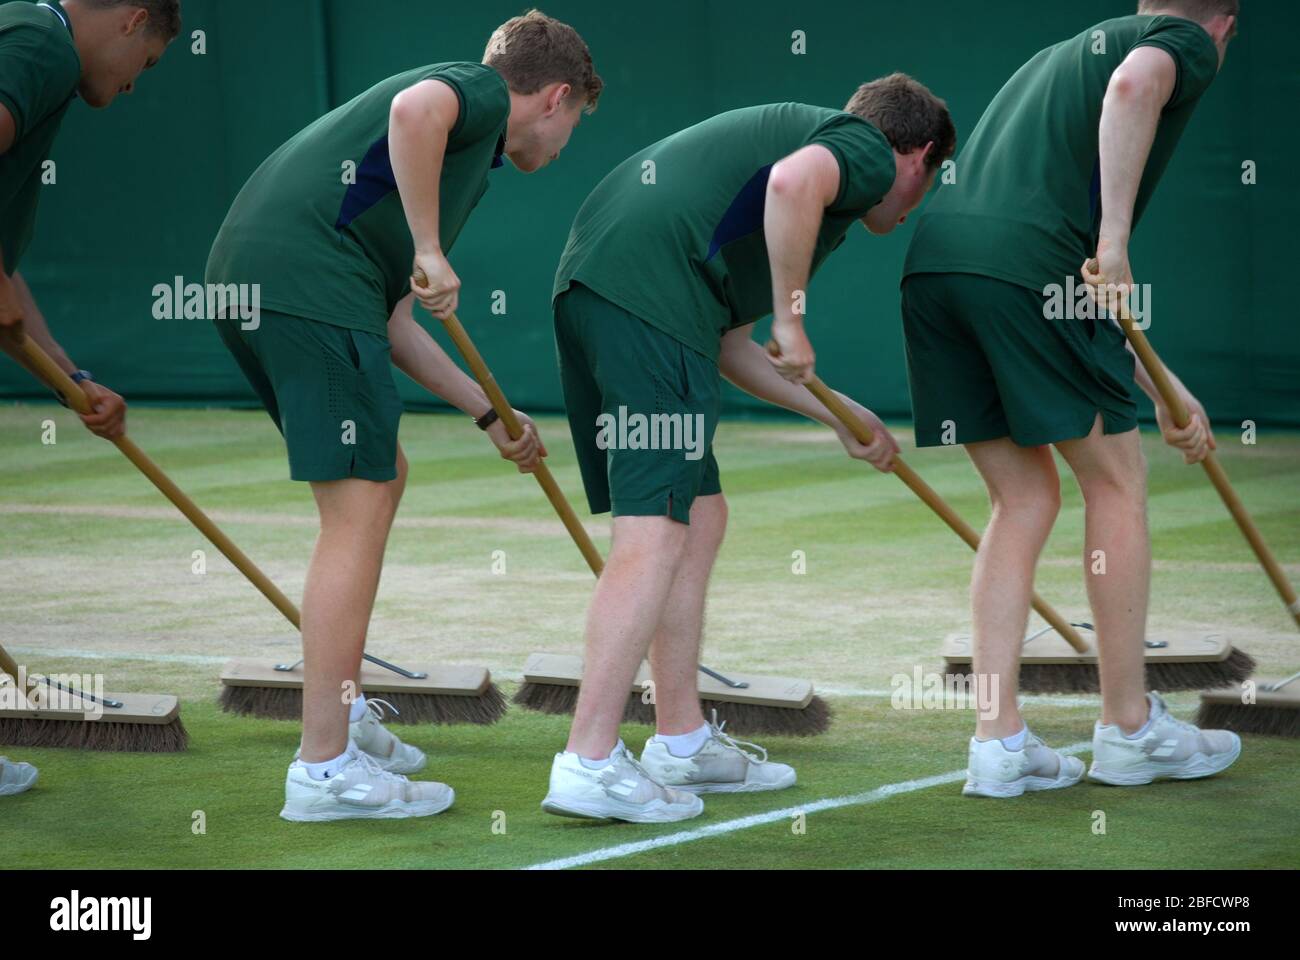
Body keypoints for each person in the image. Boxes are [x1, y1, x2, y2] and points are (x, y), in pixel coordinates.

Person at [205, 10, 602, 822]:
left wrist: (490, 414)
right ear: (556, 97)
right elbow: (415, 110)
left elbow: (393, 320)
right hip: (305, 283)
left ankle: (339, 710)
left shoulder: (459, 159)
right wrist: (428, 245)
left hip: (268, 281)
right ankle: (324, 770)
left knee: (378, 481)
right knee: (359, 500)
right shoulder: (478, 96)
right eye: (573, 128)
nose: (563, 148)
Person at [543, 74, 956, 822]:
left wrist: (839, 414)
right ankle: (589, 760)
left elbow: (732, 345)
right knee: (655, 529)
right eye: (925, 184)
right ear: (917, 156)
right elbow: (795, 184)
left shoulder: (806, 171)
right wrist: (794, 320)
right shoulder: (858, 150)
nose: (911, 203)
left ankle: (681, 739)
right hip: (647, 301)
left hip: (606, 293)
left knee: (699, 515)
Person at [900, 1, 1242, 798]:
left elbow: (1043, 257)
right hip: (1027, 268)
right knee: (1114, 481)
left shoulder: (1062, 56)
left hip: (937, 267)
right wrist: (1116, 239)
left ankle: (999, 743)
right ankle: (1129, 729)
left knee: (1020, 500)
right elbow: (1132, 93)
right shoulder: (1180, 42)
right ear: (1223, 26)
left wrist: (1163, 385)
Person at [0, 0, 183, 438]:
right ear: (134, 20)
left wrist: (73, 381)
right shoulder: (46, 45)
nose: (132, 85)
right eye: (148, 62)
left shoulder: (31, 33)